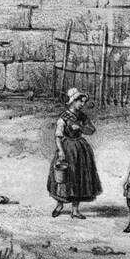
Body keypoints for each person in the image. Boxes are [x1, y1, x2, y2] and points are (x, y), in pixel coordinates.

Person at [47, 87, 102, 218]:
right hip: (67, 149)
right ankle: (60, 204)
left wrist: (81, 128)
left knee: (79, 177)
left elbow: (91, 130)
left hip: (80, 149)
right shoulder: (64, 117)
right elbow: (58, 136)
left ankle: (75, 210)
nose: (82, 104)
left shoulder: (82, 117)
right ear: (73, 101)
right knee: (63, 177)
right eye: (80, 101)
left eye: (83, 102)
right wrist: (61, 151)